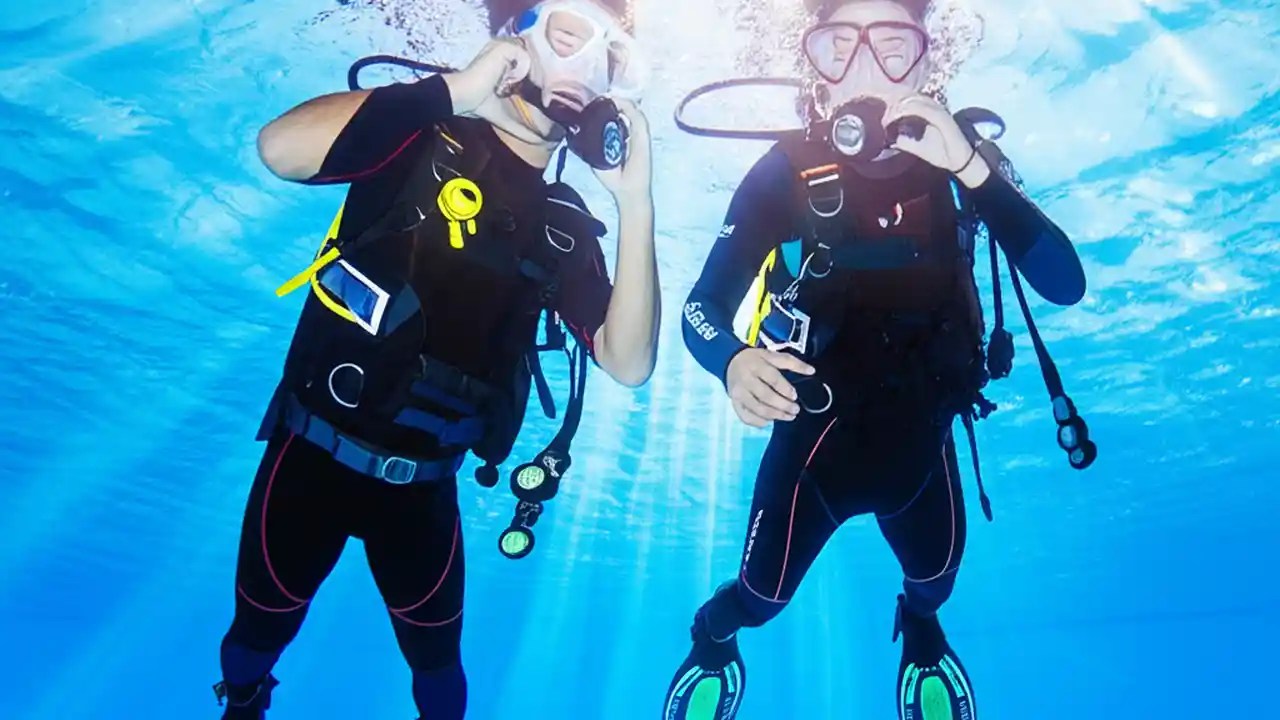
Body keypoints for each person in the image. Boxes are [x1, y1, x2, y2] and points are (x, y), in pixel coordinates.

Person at [213, 1, 659, 718]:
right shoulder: (414, 133)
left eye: (611, 55)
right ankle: (242, 700)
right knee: (254, 641)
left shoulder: (567, 227)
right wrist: (451, 91)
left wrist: (636, 203)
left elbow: (629, 361)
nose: (585, 66)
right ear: (514, 37)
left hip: (423, 494)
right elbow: (279, 149)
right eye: (569, 34)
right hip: (310, 462)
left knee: (441, 681)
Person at [664, 0, 1092, 718]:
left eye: (893, 44)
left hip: (922, 442)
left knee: (935, 582)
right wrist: (733, 361)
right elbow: (702, 305)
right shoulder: (785, 173)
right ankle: (712, 635)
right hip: (811, 448)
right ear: (815, 69)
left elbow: (1065, 283)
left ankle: (918, 630)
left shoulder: (965, 168)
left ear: (929, 59)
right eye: (838, 46)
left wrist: (972, 169)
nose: (865, 67)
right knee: (761, 599)